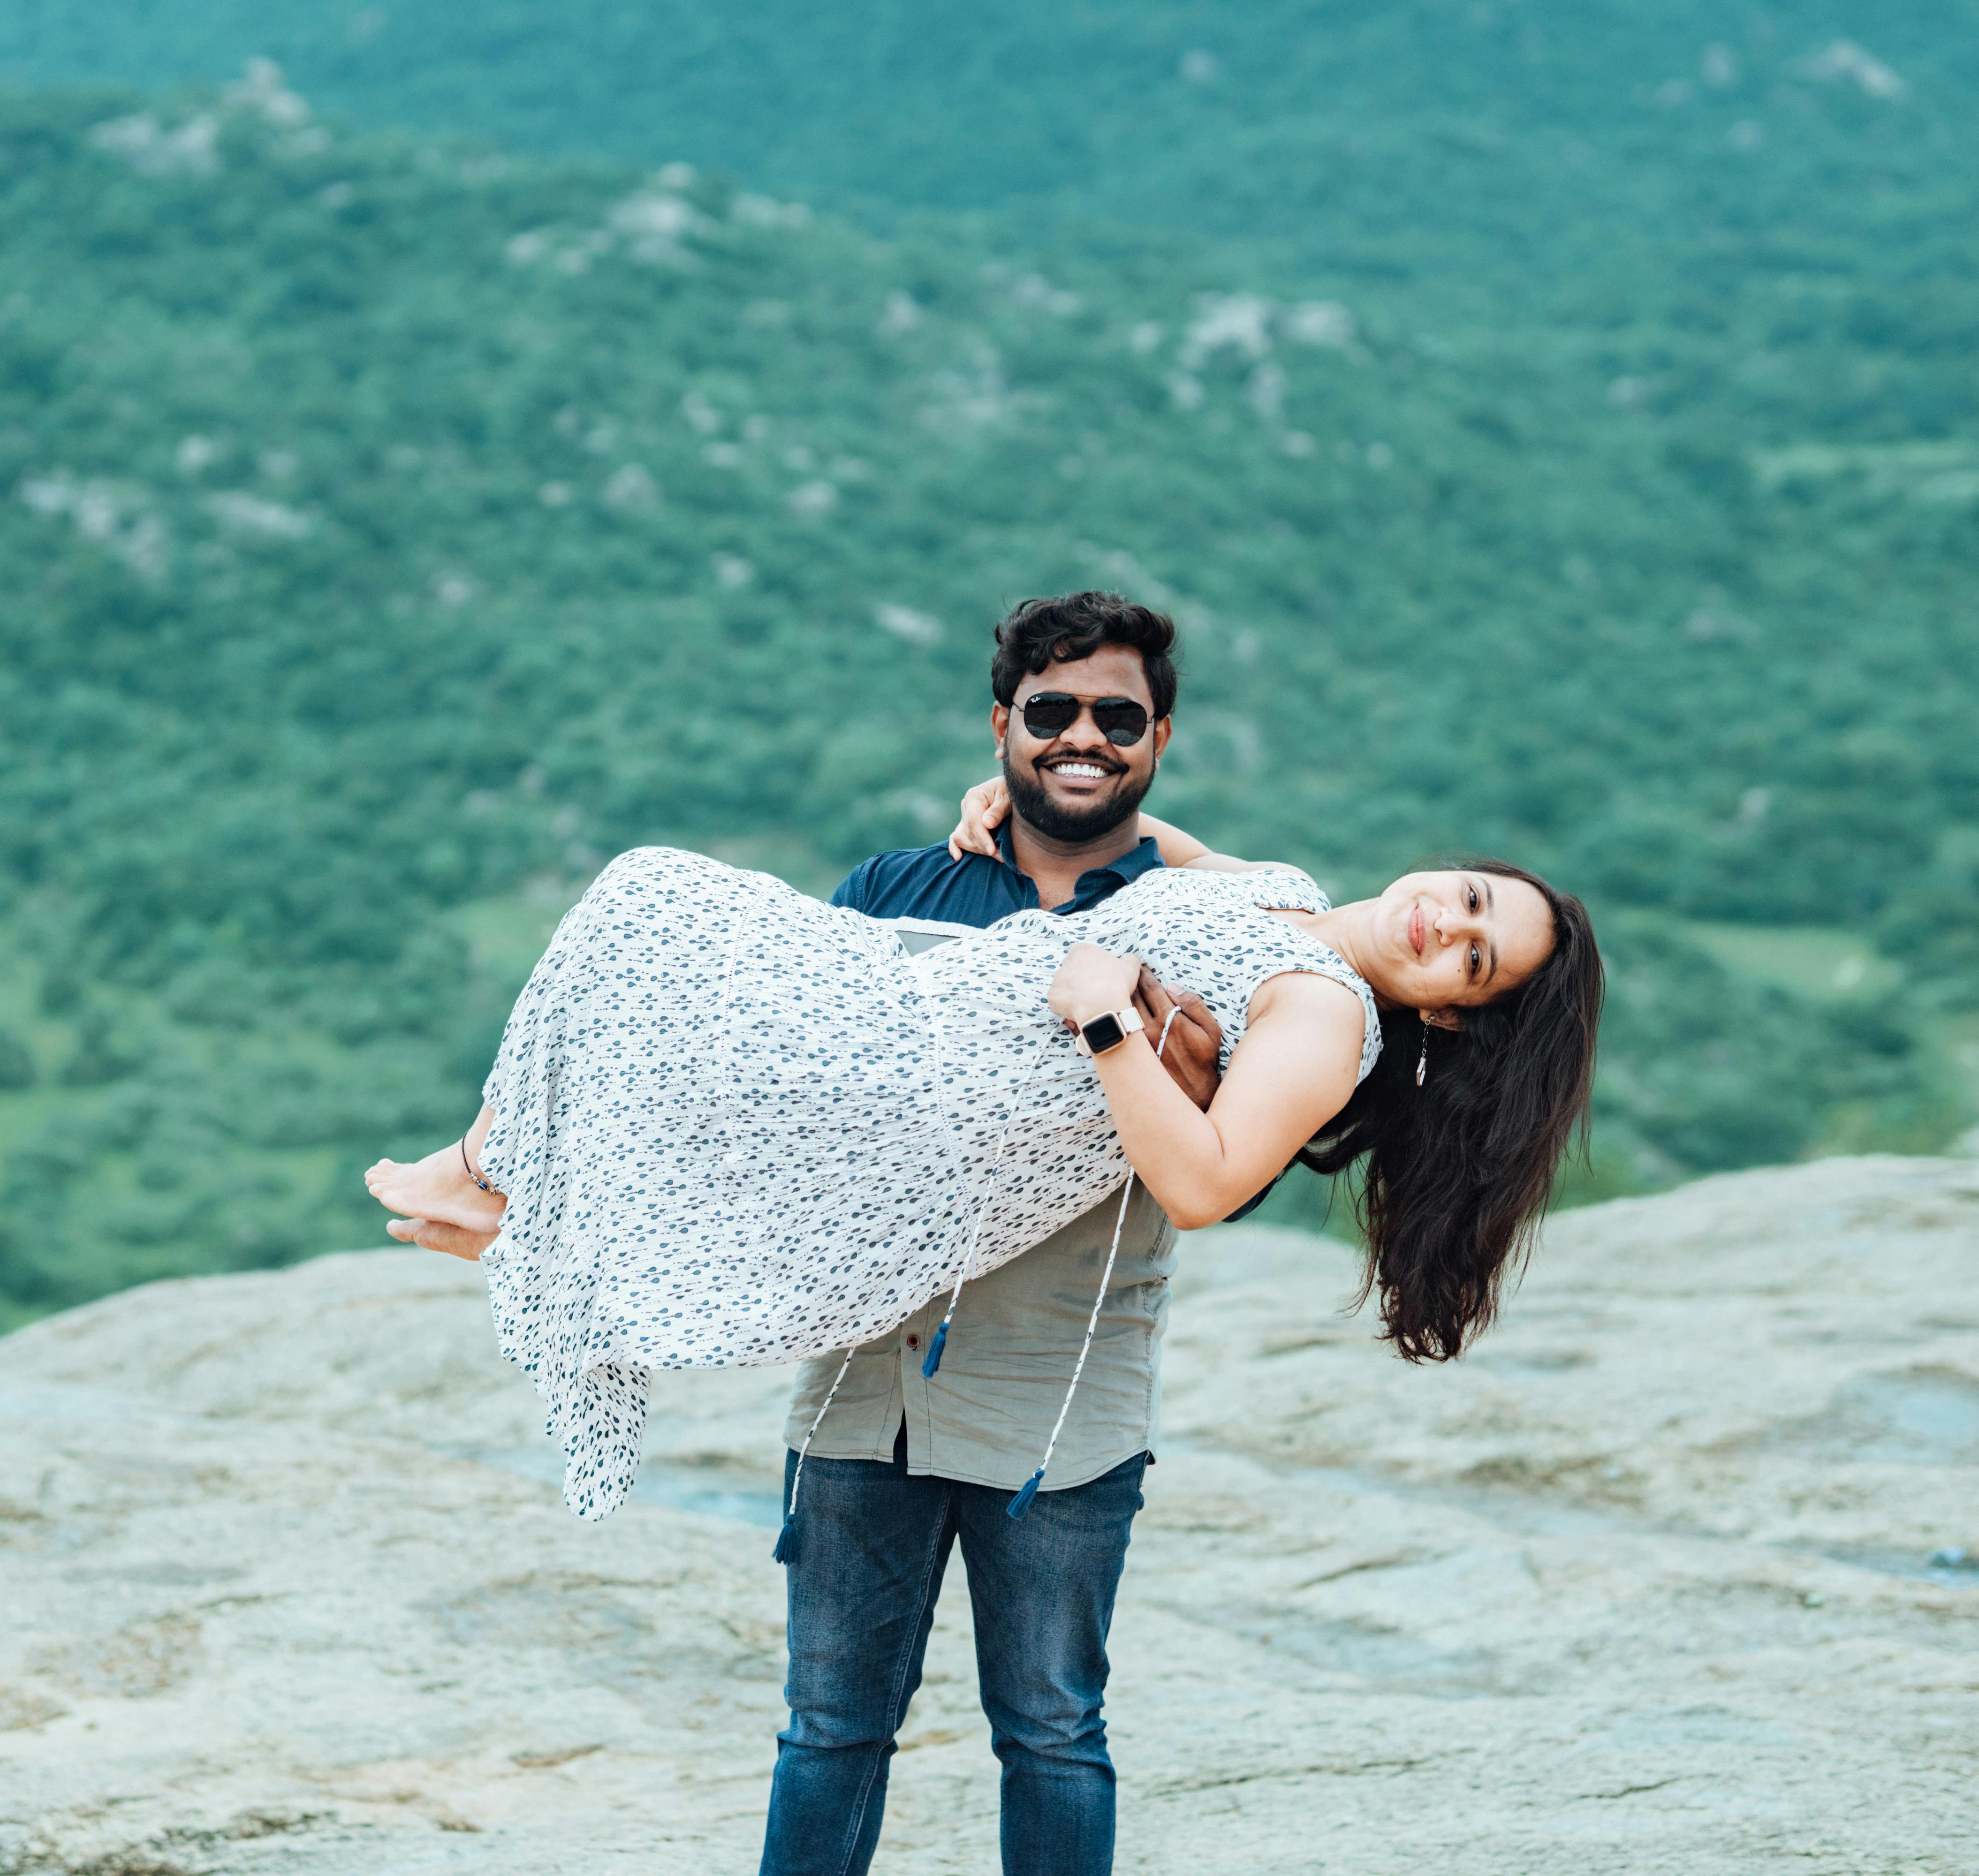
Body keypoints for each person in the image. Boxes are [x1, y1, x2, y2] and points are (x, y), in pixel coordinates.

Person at [364, 590, 1603, 1876]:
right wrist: (999, 800)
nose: (1444, 926)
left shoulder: (1324, 1013)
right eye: (1465, 898)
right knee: (831, 1726)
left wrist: (1109, 1020)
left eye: (1471, 960)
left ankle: (502, 1199)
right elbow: (1154, 840)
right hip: (882, 1346)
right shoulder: (1283, 896)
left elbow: (1209, 1181)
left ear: (1456, 1018)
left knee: (1051, 1730)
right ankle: (496, 1184)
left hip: (1052, 1408)